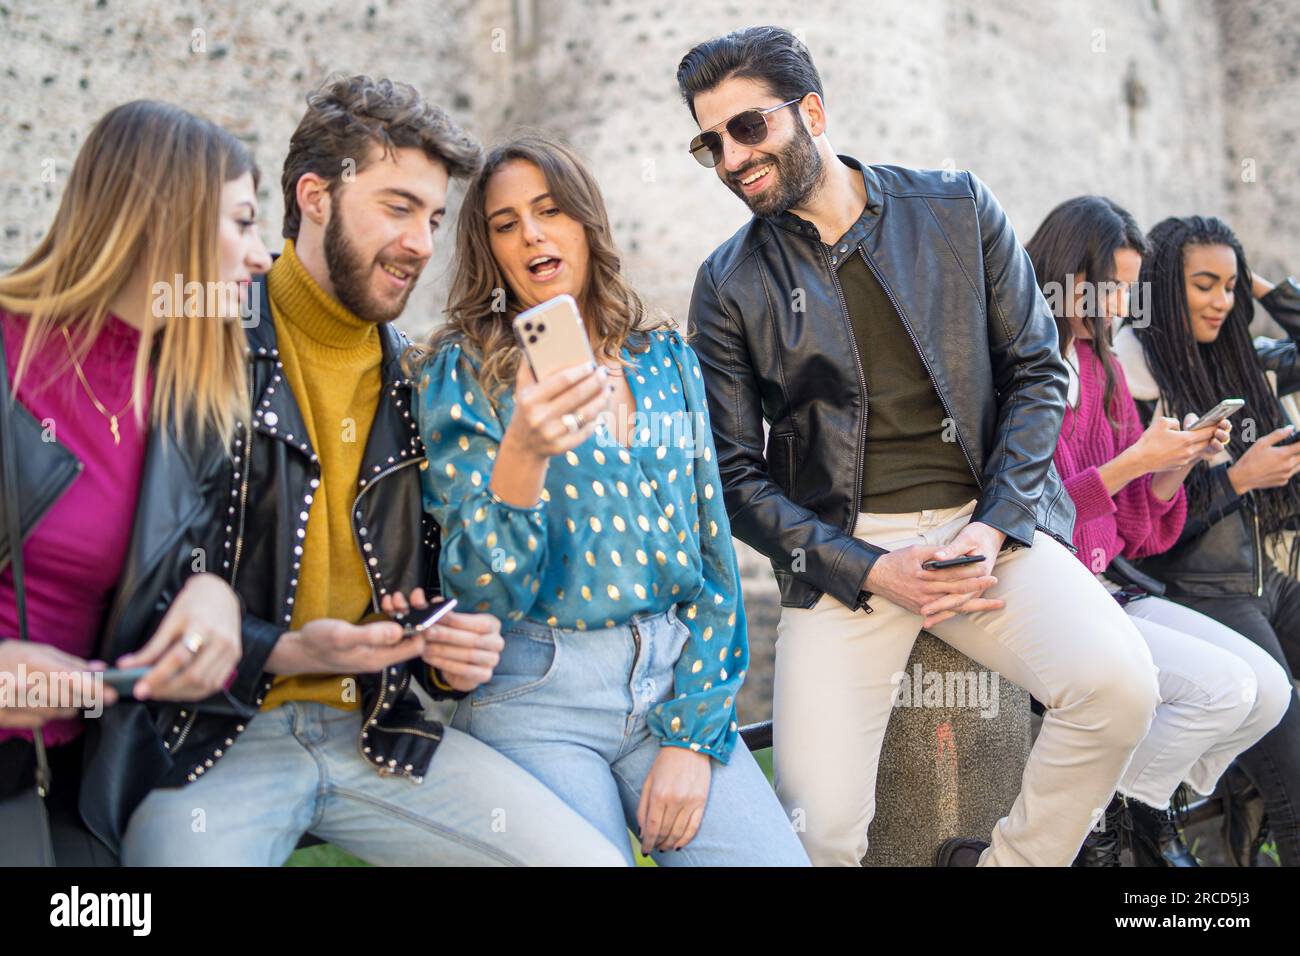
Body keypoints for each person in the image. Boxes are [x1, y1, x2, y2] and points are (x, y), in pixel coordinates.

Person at [678, 25, 1161, 866]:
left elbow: (1039, 373)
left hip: (986, 531)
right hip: (844, 559)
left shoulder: (956, 207)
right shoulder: (728, 283)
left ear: (813, 111)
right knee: (817, 831)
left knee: (1121, 689)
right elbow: (730, 474)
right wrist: (864, 566)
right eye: (708, 142)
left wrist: (1000, 522)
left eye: (747, 128)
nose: (730, 158)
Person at [113, 76, 626, 867]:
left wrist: (447, 648)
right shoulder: (200, 342)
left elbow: (422, 586)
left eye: (431, 216)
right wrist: (279, 649)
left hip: (375, 731)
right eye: (396, 207)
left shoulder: (411, 381)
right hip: (210, 738)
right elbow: (136, 587)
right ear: (314, 196)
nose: (422, 241)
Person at [406, 133, 810, 866]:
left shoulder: (666, 361)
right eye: (505, 224)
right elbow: (481, 596)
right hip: (535, 691)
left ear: (585, 223)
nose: (530, 233)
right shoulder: (462, 373)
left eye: (550, 210)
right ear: (490, 250)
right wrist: (524, 452)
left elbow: (714, 557)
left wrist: (693, 733)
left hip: (668, 674)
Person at [1, 100, 266, 863]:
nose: (260, 255)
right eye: (242, 222)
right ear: (164, 220)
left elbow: (209, 553)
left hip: (72, 781)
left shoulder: (189, 392)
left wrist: (214, 593)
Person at [1027, 195, 1292, 866]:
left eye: (1127, 288)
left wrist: (1171, 469)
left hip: (1112, 585)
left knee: (1264, 692)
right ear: (1069, 276)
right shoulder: (1030, 370)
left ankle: (1135, 808)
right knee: (1229, 689)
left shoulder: (1107, 370)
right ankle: (1125, 824)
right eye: (1112, 287)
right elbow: (1040, 512)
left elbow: (1136, 534)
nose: (1121, 305)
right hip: (1058, 591)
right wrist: (1141, 463)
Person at [1112, 213, 1300, 866]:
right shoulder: (1130, 370)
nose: (1222, 301)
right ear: (1164, 286)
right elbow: (1138, 531)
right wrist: (1242, 479)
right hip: (1193, 593)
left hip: (1260, 581)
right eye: (1204, 285)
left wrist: (1265, 288)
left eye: (1230, 286)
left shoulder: (1232, 353)